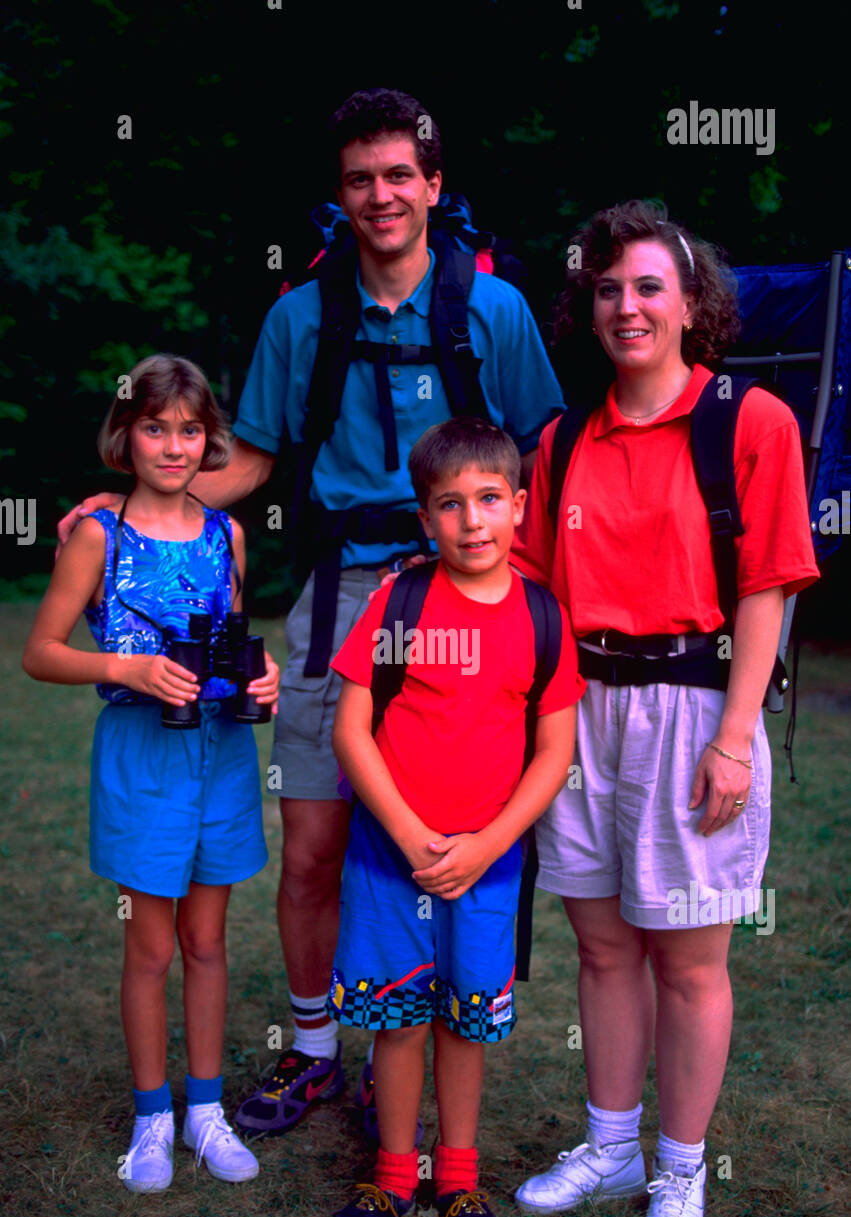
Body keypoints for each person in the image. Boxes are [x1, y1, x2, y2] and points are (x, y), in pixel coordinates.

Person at [57, 89, 565, 1137]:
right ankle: (313, 1047)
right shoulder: (302, 314)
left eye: (397, 175)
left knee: (459, 833)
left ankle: (449, 1032)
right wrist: (134, 505)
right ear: (337, 195)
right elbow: (247, 458)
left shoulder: (494, 308)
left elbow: (539, 458)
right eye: (357, 178)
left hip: (464, 602)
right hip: (338, 603)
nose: (379, 195)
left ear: (431, 185)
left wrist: (540, 598)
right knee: (312, 845)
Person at [509, 200, 819, 1217]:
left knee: (687, 962)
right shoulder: (560, 438)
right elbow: (536, 592)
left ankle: (680, 1167)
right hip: (580, 714)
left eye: (647, 285)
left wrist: (734, 737)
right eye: (606, 288)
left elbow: (770, 585)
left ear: (691, 304)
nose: (626, 305)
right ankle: (608, 1146)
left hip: (695, 709)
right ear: (585, 308)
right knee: (600, 947)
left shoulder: (748, 420)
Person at [322, 417, 584, 1217]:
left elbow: (554, 754)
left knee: (464, 1020)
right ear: (425, 517)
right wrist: (406, 832)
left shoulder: (542, 618)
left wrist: (485, 844)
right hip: (388, 858)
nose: (471, 521)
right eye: (449, 505)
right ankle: (394, 1174)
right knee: (397, 1018)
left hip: (488, 863)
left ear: (516, 506)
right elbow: (352, 731)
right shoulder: (397, 603)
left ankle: (458, 1178)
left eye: (487, 500)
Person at [24, 355, 280, 1194]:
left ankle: (204, 1112)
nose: (173, 446)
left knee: (208, 942)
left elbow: (229, 638)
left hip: (222, 755)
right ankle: (151, 1118)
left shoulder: (226, 533)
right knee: (151, 949)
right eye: (155, 427)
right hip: (142, 754)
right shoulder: (98, 534)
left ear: (209, 440)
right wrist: (128, 670)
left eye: (189, 431)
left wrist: (261, 673)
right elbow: (41, 652)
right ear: (125, 434)